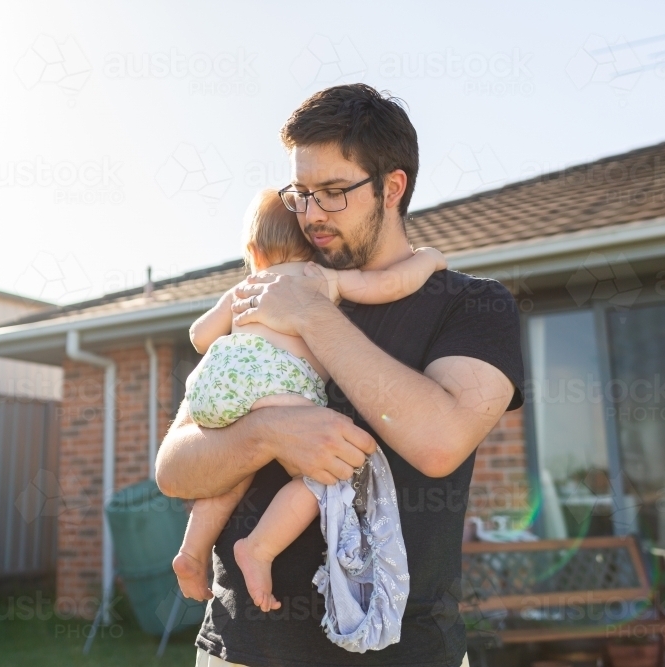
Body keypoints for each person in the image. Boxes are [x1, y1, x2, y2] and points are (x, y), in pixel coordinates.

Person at [156, 83, 525, 667]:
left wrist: (312, 312)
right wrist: (268, 435)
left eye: (332, 193)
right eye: (300, 194)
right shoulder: (268, 292)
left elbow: (439, 442)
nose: (311, 215)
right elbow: (174, 470)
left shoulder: (472, 307)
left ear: (392, 187)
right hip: (245, 650)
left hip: (404, 651)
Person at [173, 187, 447, 651]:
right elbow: (389, 285)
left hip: (217, 380)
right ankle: (257, 547)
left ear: (253, 251)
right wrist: (428, 259)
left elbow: (200, 336)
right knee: (324, 473)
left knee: (233, 468)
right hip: (277, 384)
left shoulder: (246, 286)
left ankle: (192, 550)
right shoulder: (315, 276)